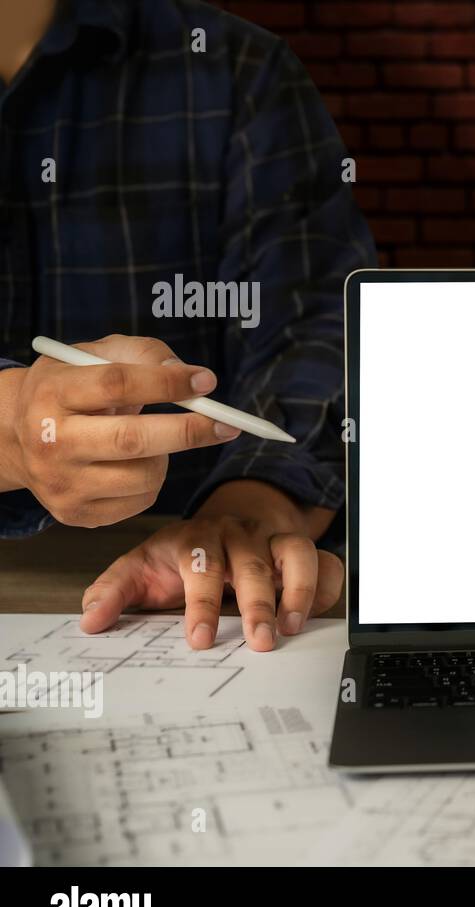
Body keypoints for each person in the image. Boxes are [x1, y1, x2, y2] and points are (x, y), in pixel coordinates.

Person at [0, 0, 376, 650]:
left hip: (191, 592)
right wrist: (10, 427)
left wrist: (252, 503)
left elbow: (316, 325)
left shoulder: (233, 70)